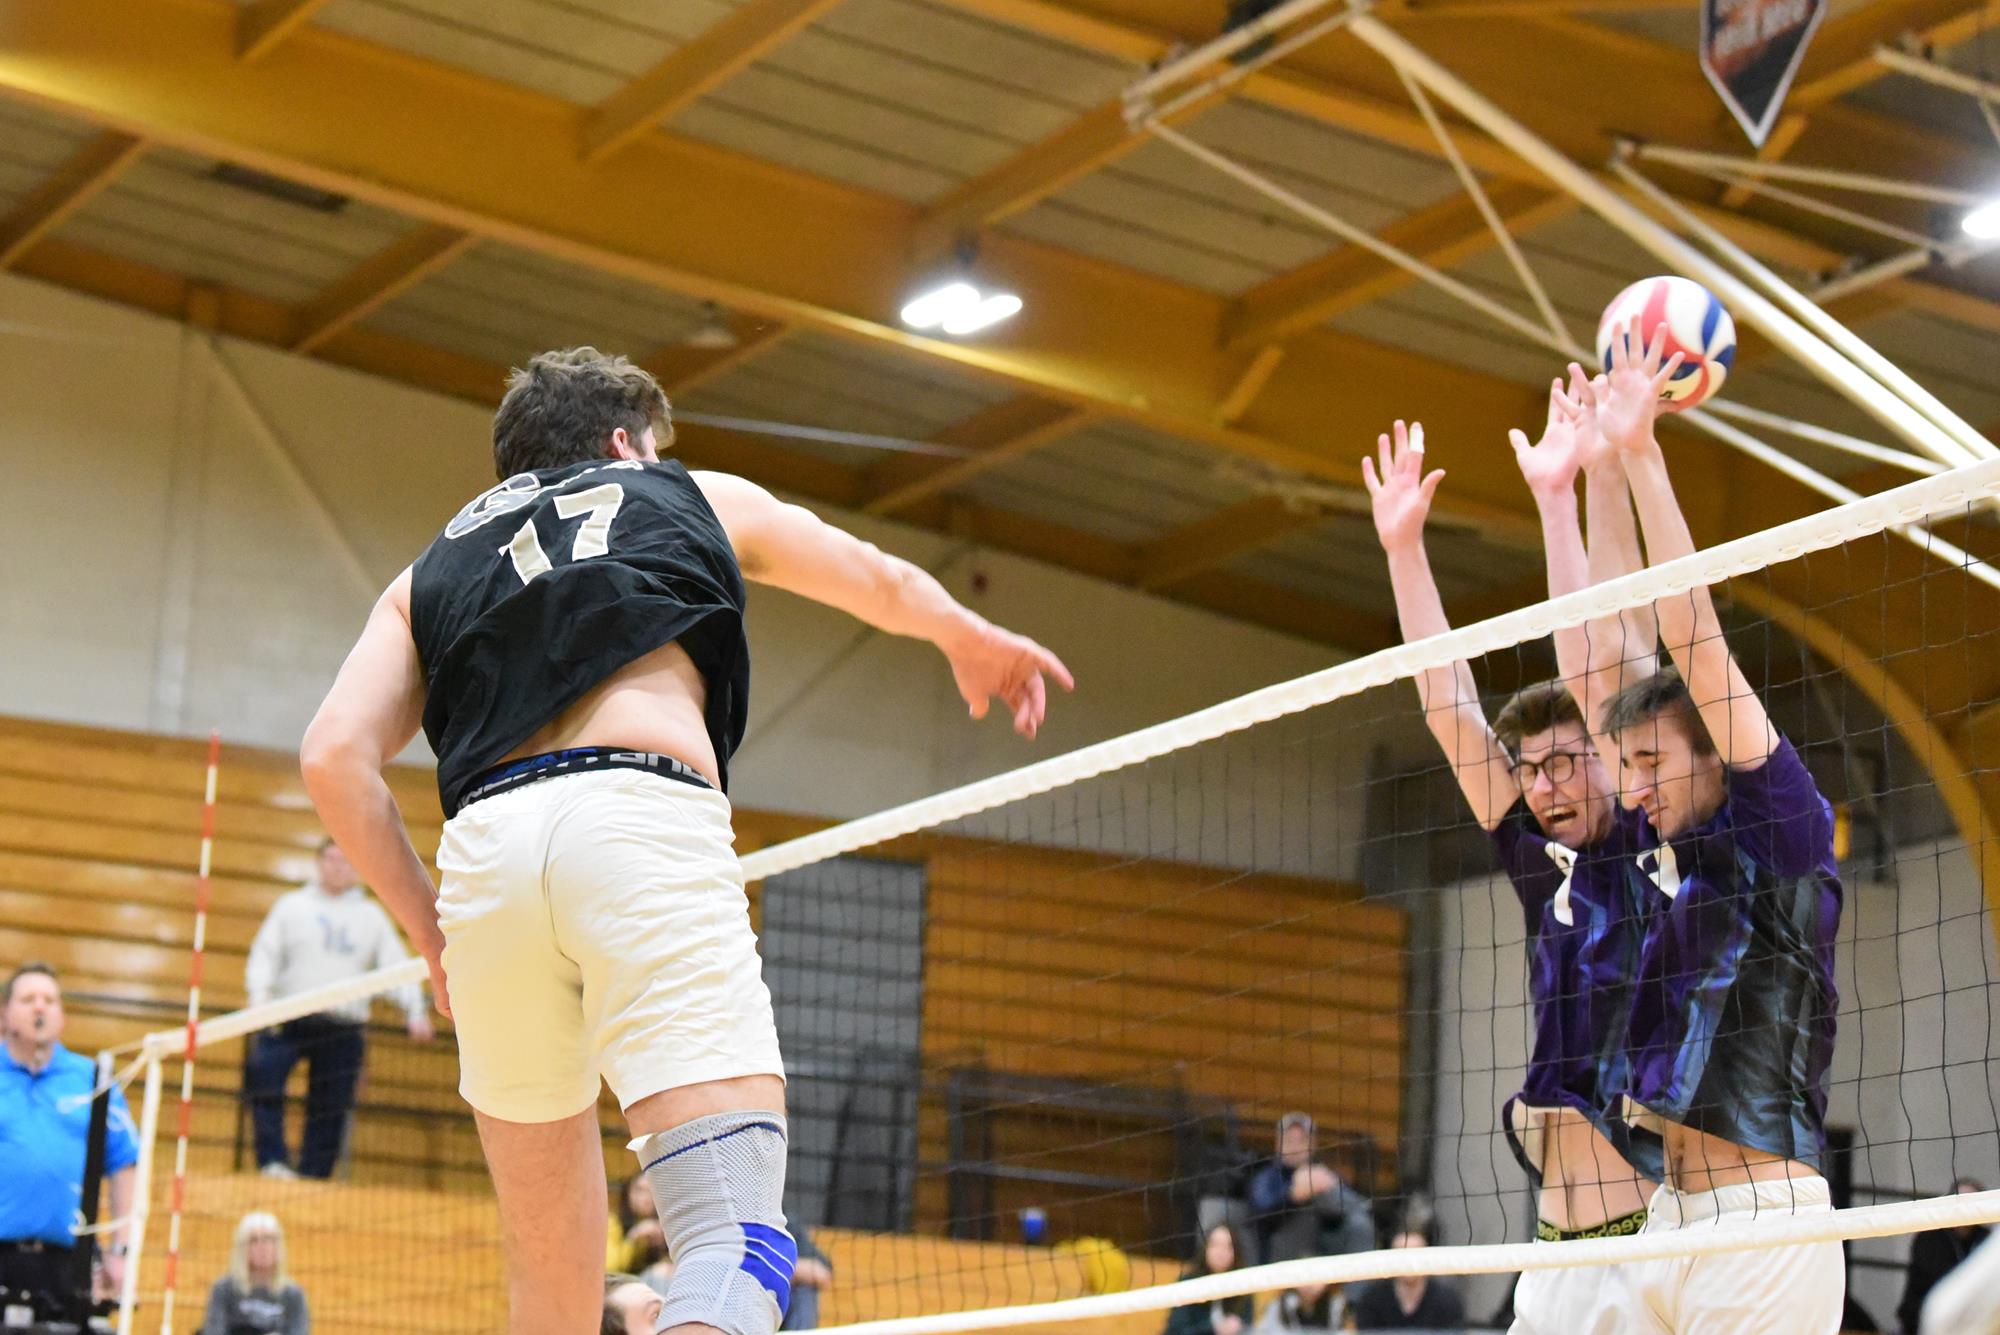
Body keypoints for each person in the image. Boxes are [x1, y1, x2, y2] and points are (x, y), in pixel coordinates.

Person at [299, 347, 1072, 1335]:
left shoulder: (431, 569)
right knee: (736, 1242)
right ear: (625, 442)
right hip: (635, 820)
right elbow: (864, 574)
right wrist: (966, 634)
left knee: (552, 1283)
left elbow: (332, 756)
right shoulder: (683, 490)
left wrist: (427, 935)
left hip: (484, 861)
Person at [1365, 413, 1656, 1335]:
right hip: (1556, 1250)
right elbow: (1447, 703)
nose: (1545, 785)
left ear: (1610, 756)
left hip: (1655, 1235)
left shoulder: (1652, 840)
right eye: (1529, 769)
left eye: (1566, 761)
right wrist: (1405, 549)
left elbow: (1592, 654)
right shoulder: (1538, 857)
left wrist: (1558, 498)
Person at [1588, 319, 1846, 1333]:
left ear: (1711, 747)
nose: (1632, 784)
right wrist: (1598, 472)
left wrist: (1646, 456)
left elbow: (1689, 635)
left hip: (1760, 1228)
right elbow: (1610, 651)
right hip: (1664, 1219)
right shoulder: (1680, 859)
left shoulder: (1783, 824)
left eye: (1650, 762)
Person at [244, 837, 435, 1180]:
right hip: (290, 1019)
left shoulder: (371, 917)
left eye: (345, 860)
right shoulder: (291, 906)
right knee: (263, 1076)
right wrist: (259, 999)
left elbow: (396, 968)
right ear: (319, 862)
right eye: (331, 859)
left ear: (356, 868)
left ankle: (314, 1177)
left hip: (343, 1027)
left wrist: (415, 1011)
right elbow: (264, 955)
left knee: (331, 1105)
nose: (337, 867)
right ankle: (272, 1164)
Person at [0, 962, 136, 1319]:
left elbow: (124, 1165)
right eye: (28, 999)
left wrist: (119, 1251)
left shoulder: (93, 1079)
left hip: (68, 1266)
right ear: (5, 1014)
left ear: (63, 1018)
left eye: (50, 1000)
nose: (40, 1007)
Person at [1242, 1113, 1373, 1264]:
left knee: (1360, 1224)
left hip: (1320, 1260)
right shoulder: (1266, 1177)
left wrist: (1329, 1192)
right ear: (1278, 1143)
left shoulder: (1322, 1175)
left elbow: (1359, 1208)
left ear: (1312, 1145)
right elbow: (1260, 1216)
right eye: (1289, 1140)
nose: (1295, 1146)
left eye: (1302, 1140)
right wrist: (1294, 1196)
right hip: (1277, 1257)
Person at [1898, 1177, 1989, 1335]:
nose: (1964, 1209)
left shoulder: (1986, 1239)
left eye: (1971, 1202)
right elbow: (1939, 1279)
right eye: (1960, 1201)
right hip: (1925, 1317)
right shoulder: (1930, 1238)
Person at [200, 1211, 308, 1335]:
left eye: (269, 1239)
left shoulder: (293, 1295)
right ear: (242, 1247)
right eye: (254, 1240)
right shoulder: (224, 1289)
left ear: (278, 1246)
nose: (263, 1246)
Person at [1348, 1229, 1466, 1331]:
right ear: (1391, 1259)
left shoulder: (1448, 1301)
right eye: (1402, 1254)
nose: (1409, 1262)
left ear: (1427, 1258)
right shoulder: (1371, 1299)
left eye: (1415, 1254)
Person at [1160, 1223, 1255, 1335]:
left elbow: (1248, 1325)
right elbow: (1176, 1330)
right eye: (1215, 1245)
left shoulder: (1243, 1286)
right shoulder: (1188, 1283)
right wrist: (1214, 1328)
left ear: (1236, 1252)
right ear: (1205, 1248)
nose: (1221, 1252)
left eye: (1228, 1247)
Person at [605, 1173, 668, 1281]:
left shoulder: (666, 1223)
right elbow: (610, 1269)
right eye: (639, 1190)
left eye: (651, 1191)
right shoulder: (613, 1222)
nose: (645, 1198)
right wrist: (633, 1237)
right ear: (628, 1192)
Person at [1251, 1281, 1347, 1333]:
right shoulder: (1279, 1304)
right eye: (1306, 1277)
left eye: (1316, 1278)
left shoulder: (1336, 1305)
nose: (1310, 1284)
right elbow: (1263, 1331)